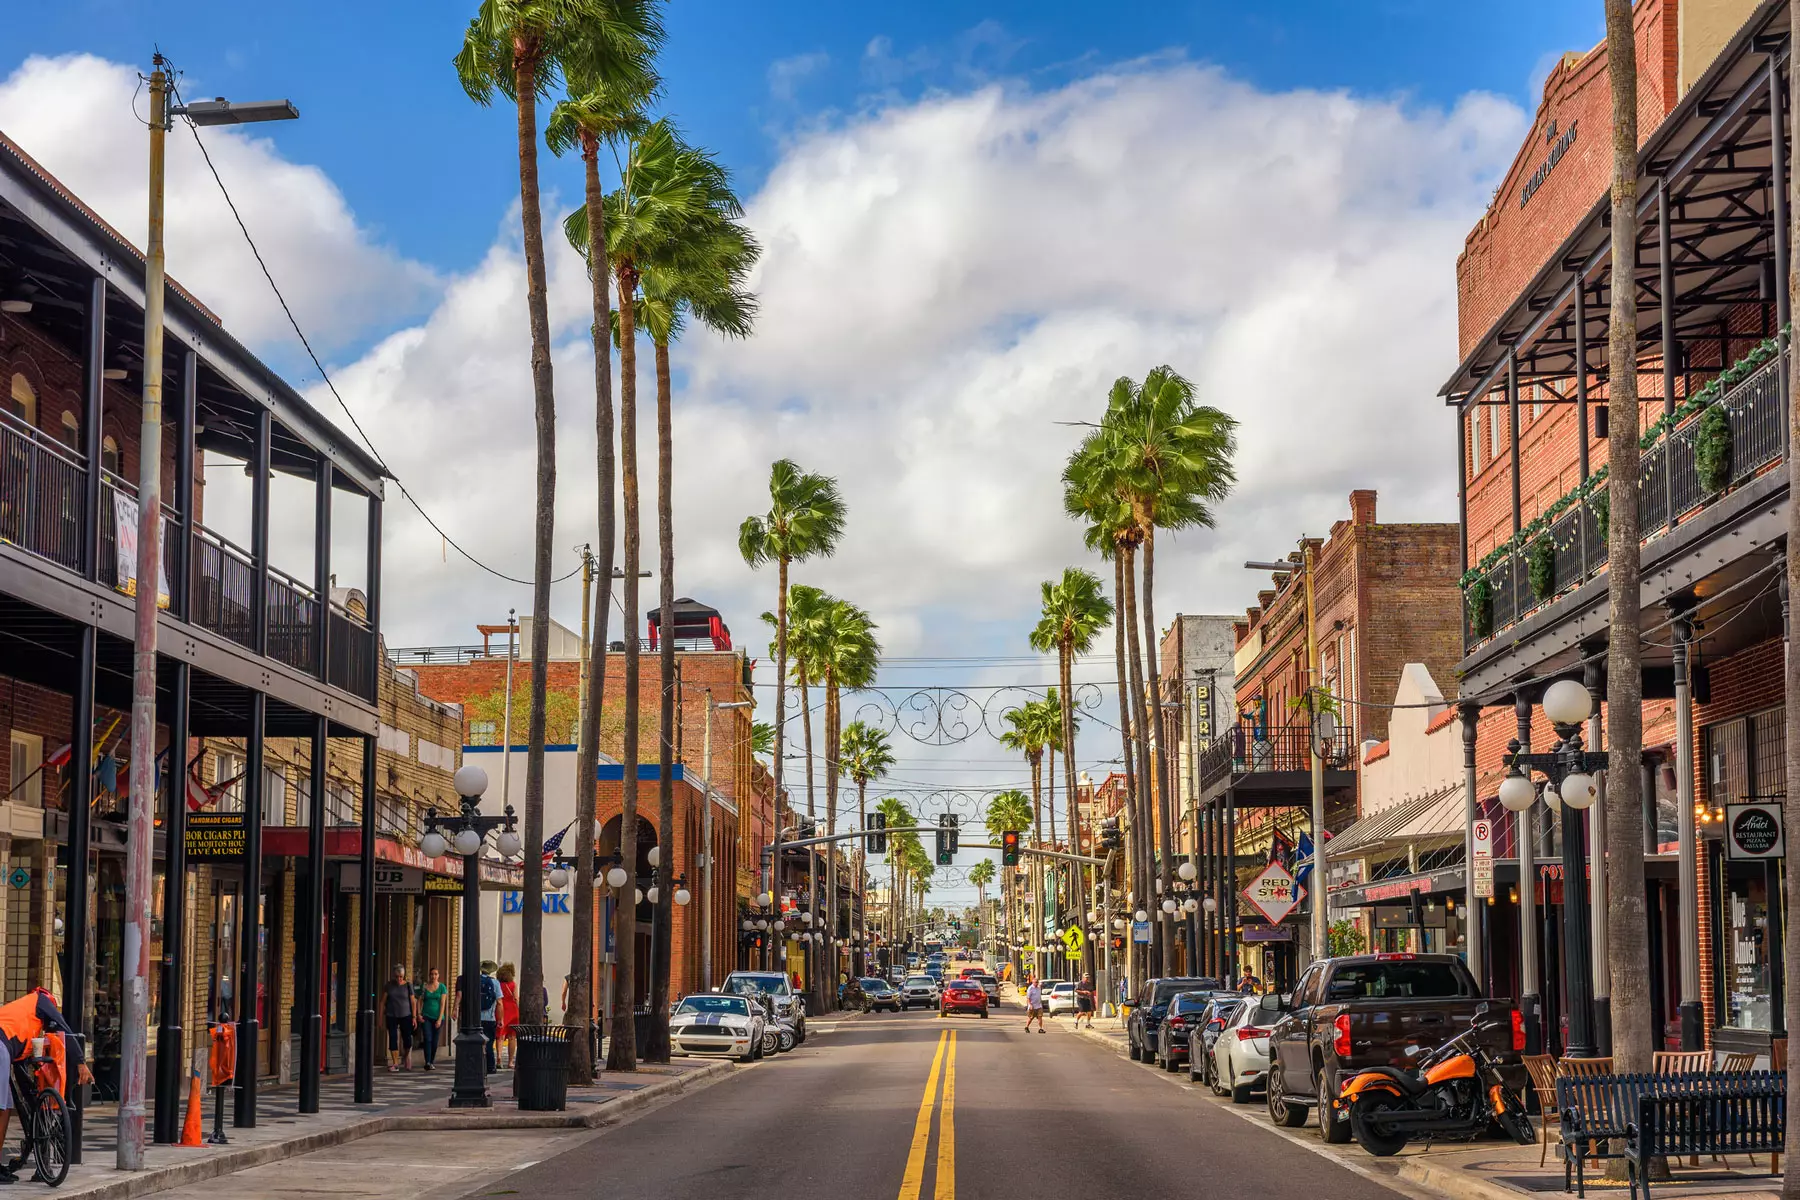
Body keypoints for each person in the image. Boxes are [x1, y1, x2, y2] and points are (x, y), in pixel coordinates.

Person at [0, 988, 91, 1185]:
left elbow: (20, 1065)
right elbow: (64, 1029)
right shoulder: (41, 1000)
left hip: (5, 1048)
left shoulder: (20, 1017)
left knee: (6, 1106)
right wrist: (81, 1063)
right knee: (2, 1109)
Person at [383, 965, 416, 1072]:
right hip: (391, 1015)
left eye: (401, 976)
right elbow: (382, 1002)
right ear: (394, 976)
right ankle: (395, 1063)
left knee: (407, 1039)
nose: (399, 979)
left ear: (404, 975)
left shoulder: (408, 985)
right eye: (397, 976)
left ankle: (407, 1057)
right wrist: (379, 1018)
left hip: (406, 1015)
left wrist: (414, 1017)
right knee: (393, 1037)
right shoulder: (389, 985)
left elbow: (413, 1001)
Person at [417, 967, 448, 1071]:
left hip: (438, 1017)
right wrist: (418, 1014)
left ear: (438, 975)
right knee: (427, 1038)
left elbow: (443, 1004)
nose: (433, 976)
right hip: (426, 1016)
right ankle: (427, 1062)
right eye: (432, 974)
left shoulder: (442, 987)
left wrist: (439, 1019)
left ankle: (432, 1061)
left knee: (435, 1041)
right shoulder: (425, 987)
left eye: (435, 974)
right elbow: (419, 1001)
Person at [496, 962, 520, 1069]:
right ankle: (510, 1061)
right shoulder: (513, 984)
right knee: (512, 1037)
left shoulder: (497, 984)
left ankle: (499, 1058)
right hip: (513, 1011)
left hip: (501, 1010)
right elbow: (516, 998)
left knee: (500, 1036)